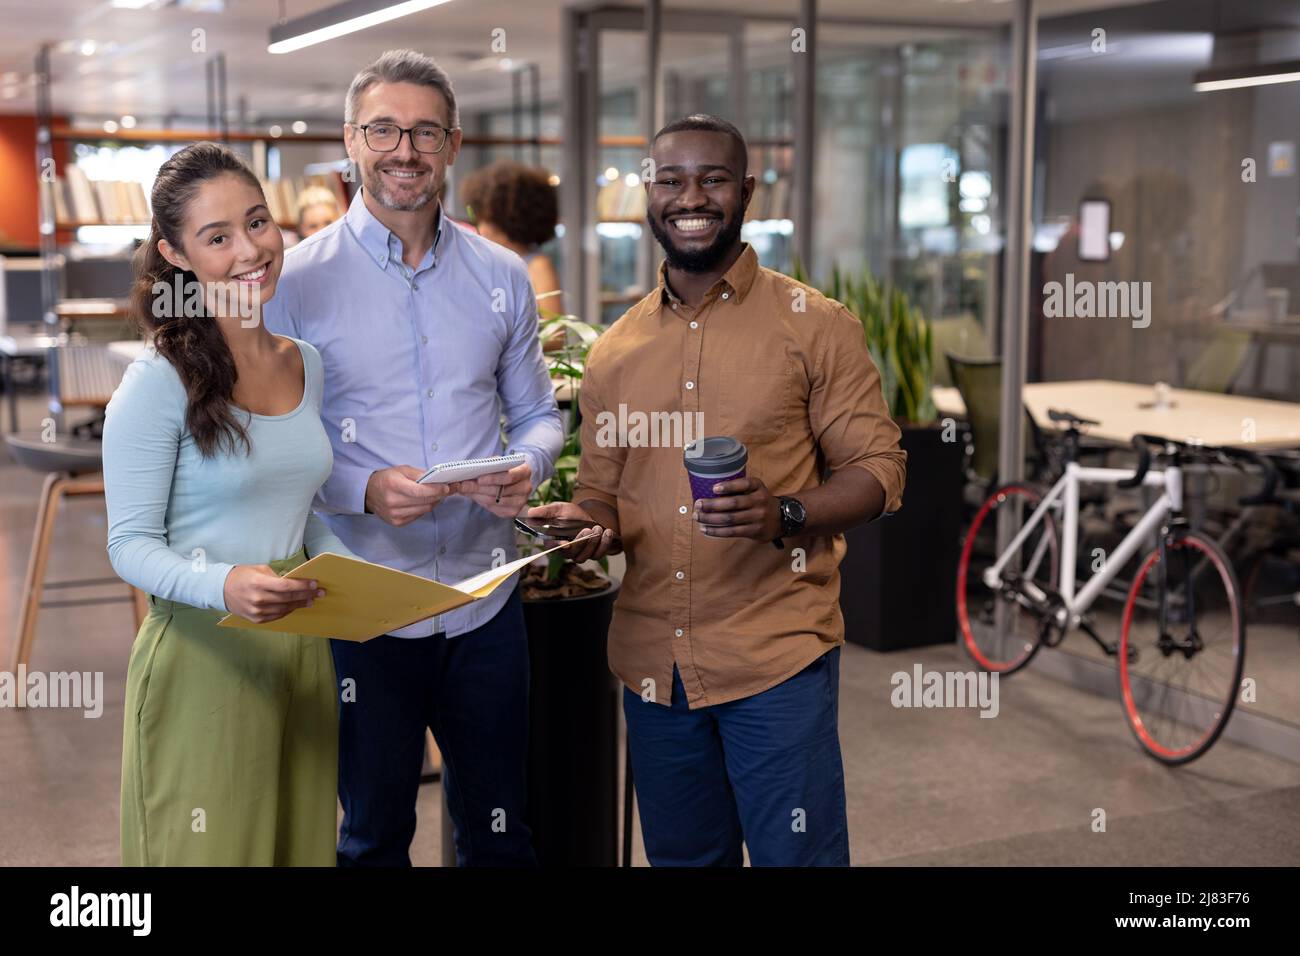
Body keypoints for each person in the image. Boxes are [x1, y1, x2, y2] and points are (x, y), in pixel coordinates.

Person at [528, 114, 907, 867]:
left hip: (773, 657)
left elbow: (879, 472)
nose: (691, 197)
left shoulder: (817, 326)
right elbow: (603, 495)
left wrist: (785, 511)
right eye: (671, 180)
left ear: (747, 192)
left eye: (713, 179)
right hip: (653, 667)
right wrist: (586, 525)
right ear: (649, 193)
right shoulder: (616, 351)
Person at [263, 49, 564, 867]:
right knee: (371, 837)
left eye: (426, 132)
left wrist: (526, 466)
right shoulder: (295, 283)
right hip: (363, 607)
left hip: (484, 601)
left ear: (453, 144)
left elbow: (538, 415)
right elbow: (273, 442)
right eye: (383, 130)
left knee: (501, 832)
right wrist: (362, 489)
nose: (405, 150)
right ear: (350, 140)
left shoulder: (502, 275)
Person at [104, 142, 354, 866]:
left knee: (300, 849)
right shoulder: (158, 380)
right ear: (175, 255)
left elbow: (297, 506)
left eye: (257, 222)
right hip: (204, 654)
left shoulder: (305, 363)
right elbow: (128, 544)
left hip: (302, 649)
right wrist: (225, 584)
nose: (250, 250)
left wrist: (353, 573)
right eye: (217, 237)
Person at [459, 160, 563, 315]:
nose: (481, 229)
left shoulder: (538, 266)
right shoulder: (491, 264)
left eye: (486, 221)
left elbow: (556, 328)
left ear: (506, 222)